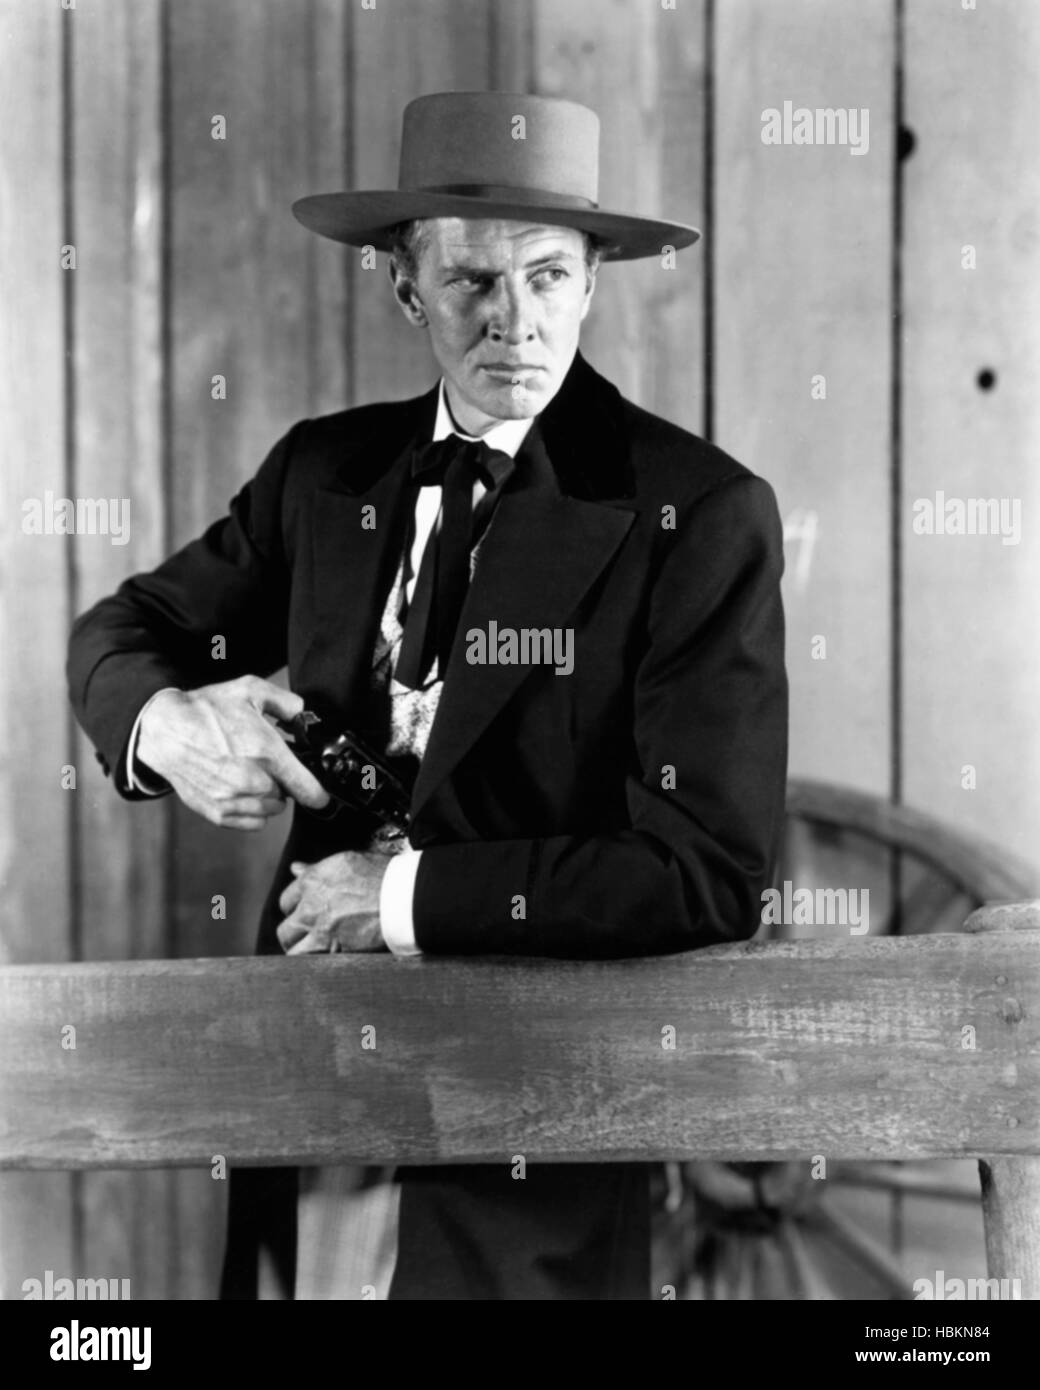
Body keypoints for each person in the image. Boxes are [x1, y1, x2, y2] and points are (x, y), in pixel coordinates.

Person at [67, 91, 788, 1301]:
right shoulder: (323, 472)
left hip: (533, 1121)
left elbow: (704, 868)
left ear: (594, 280)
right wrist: (166, 725)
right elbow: (123, 630)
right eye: (471, 284)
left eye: (550, 277)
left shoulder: (696, 517)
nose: (516, 324)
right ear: (406, 287)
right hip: (312, 1096)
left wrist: (394, 897)